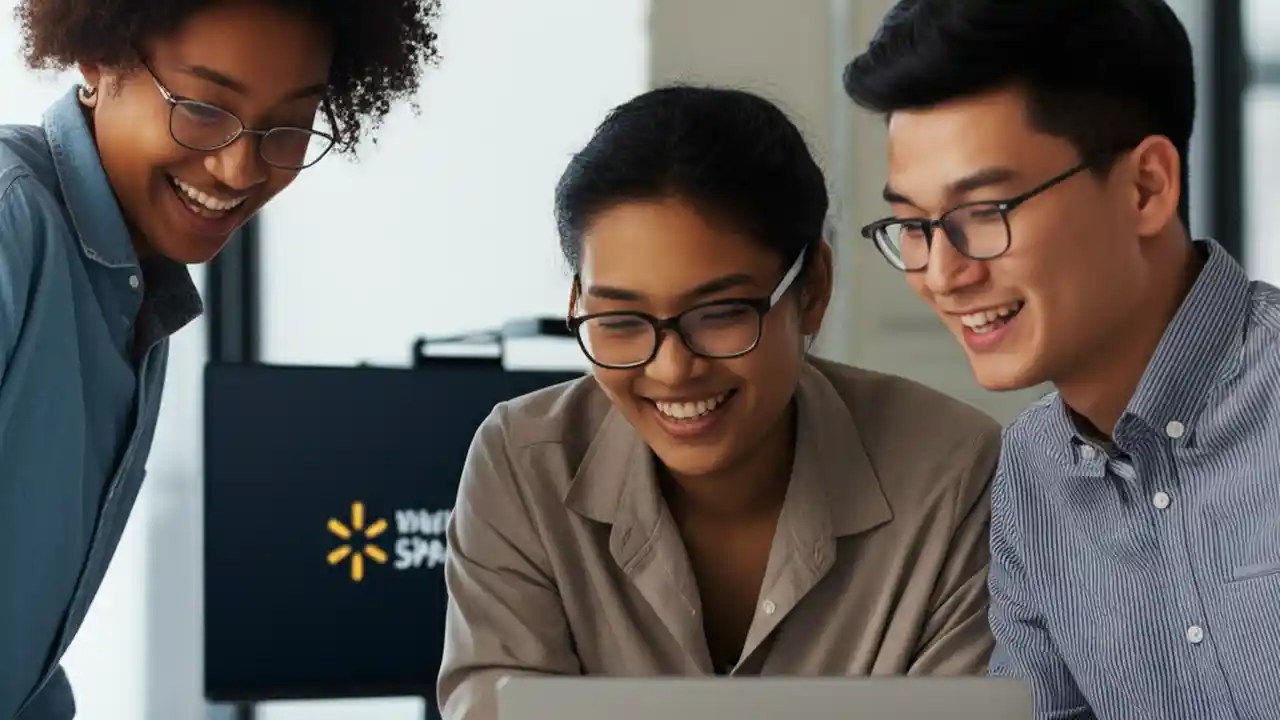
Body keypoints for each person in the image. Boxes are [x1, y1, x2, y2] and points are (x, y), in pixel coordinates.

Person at [436, 85, 1002, 720]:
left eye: (721, 314)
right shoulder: (523, 462)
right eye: (620, 320)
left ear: (812, 288)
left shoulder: (953, 472)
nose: (673, 369)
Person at [0, 1, 440, 717]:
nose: (240, 167)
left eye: (289, 127)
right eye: (202, 107)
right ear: (95, 58)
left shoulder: (135, 288)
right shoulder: (11, 227)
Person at [844, 0, 1280, 718]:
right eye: (913, 225)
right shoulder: (1031, 473)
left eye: (985, 211)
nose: (942, 274)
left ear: (1146, 187)